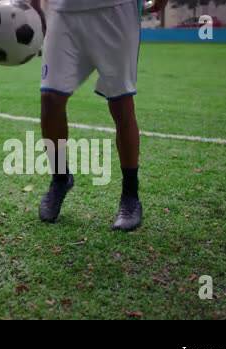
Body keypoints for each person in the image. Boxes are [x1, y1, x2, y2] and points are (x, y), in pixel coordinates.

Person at [31, 0, 150, 231]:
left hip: (116, 10)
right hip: (63, 11)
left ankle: (130, 196)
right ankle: (60, 178)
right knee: (50, 99)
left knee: (121, 103)